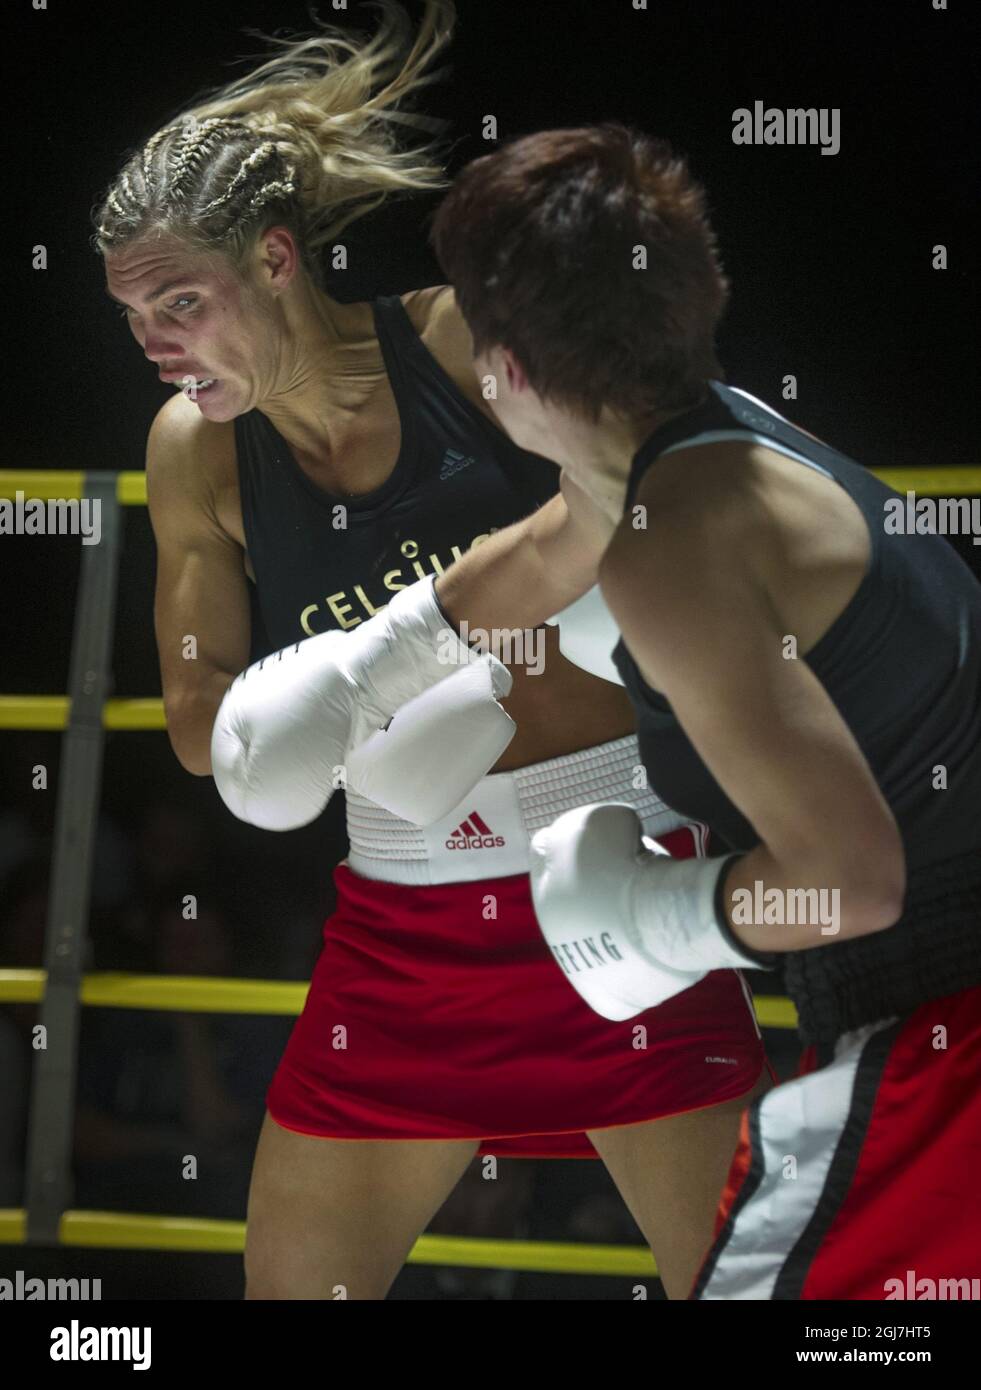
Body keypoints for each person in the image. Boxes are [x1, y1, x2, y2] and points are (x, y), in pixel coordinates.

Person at [91, 5, 767, 1300]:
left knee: (748, 1284)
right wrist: (374, 682)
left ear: (277, 258)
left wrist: (434, 656)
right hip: (399, 940)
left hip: (606, 880)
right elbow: (199, 720)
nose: (161, 346)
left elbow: (661, 496)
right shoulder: (191, 448)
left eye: (183, 302)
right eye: (136, 317)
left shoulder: (461, 342)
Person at [425, 121, 981, 1299]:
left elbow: (846, 880)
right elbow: (534, 550)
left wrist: (656, 917)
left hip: (941, 1043)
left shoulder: (667, 544)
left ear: (506, 371)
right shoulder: (718, 439)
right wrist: (365, 667)